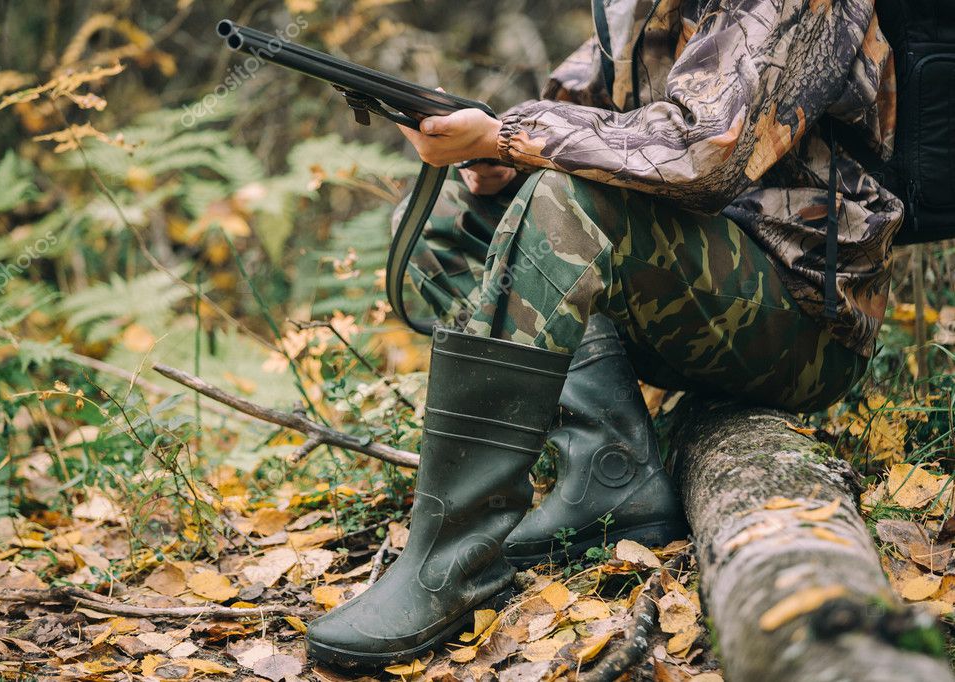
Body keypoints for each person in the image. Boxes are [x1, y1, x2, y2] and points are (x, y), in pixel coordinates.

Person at [306, 0, 901, 669]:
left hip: (801, 327)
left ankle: (451, 559)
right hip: (693, 305)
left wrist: (508, 138)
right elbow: (578, 116)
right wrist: (496, 153)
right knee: (447, 218)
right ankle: (607, 471)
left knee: (566, 205)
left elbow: (701, 149)